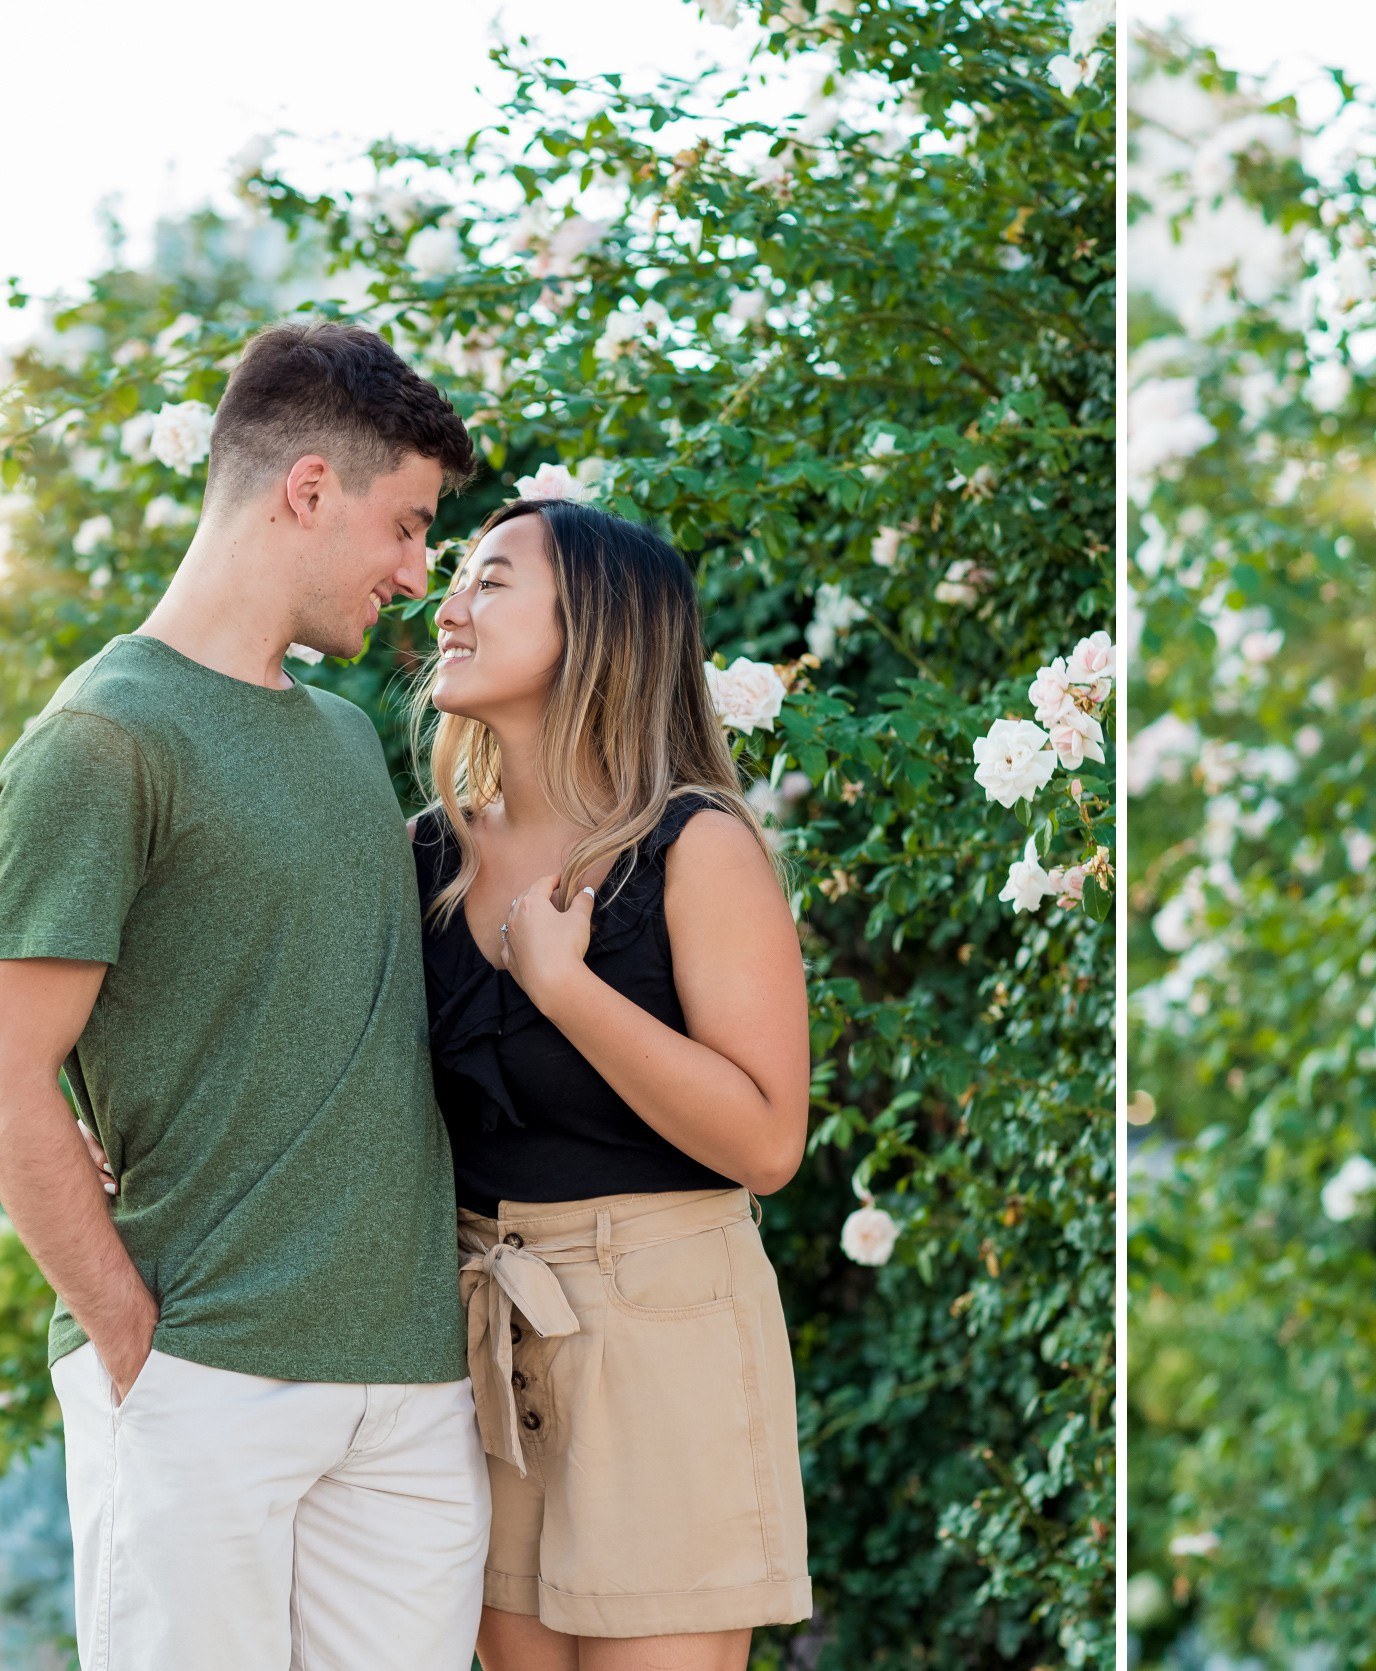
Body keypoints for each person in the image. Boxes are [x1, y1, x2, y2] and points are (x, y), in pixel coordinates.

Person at [0, 320, 486, 1667]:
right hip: (203, 1372)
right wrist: (134, 1339)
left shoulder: (338, 733)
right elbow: (4, 1069)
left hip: (406, 1381)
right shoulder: (106, 737)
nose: (415, 570)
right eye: (404, 525)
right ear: (309, 487)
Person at [414, 494, 816, 1668]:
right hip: (479, 1328)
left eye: (489, 581)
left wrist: (568, 989)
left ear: (593, 629)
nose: (448, 606)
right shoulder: (423, 856)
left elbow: (767, 1145)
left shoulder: (697, 847)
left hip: (664, 1328)